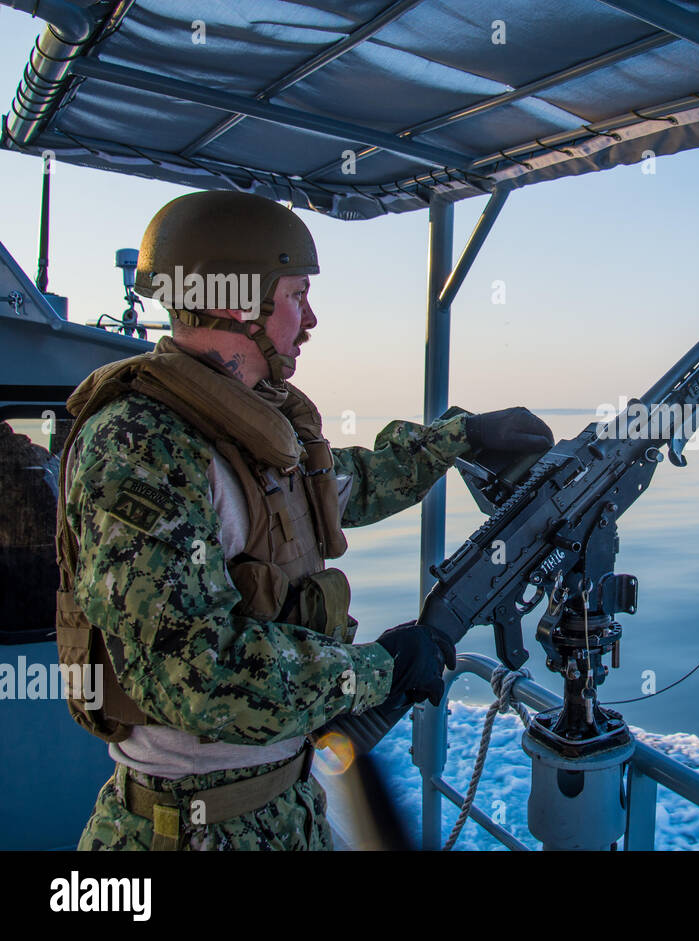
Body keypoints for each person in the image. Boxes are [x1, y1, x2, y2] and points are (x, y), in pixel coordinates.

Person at [55, 191, 553, 850]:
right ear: (239, 301)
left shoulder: (250, 424)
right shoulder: (142, 446)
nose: (311, 318)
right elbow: (189, 671)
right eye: (297, 295)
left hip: (284, 803)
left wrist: (459, 437)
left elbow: (345, 483)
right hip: (192, 829)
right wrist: (379, 668)